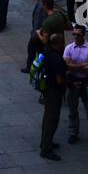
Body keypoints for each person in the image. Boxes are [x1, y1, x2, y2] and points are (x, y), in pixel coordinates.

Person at [64, 24, 88, 150]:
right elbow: (66, 66)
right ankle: (73, 133)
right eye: (74, 34)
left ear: (83, 35)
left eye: (78, 34)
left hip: (86, 83)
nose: (75, 36)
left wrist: (73, 66)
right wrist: (82, 65)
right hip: (72, 83)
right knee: (72, 110)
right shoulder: (69, 48)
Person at [31, 25, 68, 160]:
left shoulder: (45, 52)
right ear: (58, 45)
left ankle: (46, 143)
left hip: (46, 89)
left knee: (47, 118)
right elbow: (59, 80)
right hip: (54, 92)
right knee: (51, 120)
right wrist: (69, 84)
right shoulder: (56, 58)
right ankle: (46, 149)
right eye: (63, 43)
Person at [21, 0, 48, 73]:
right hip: (41, 33)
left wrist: (35, 34)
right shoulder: (43, 2)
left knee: (32, 50)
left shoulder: (40, 6)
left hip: (38, 34)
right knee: (40, 51)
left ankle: (31, 66)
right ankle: (40, 65)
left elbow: (38, 21)